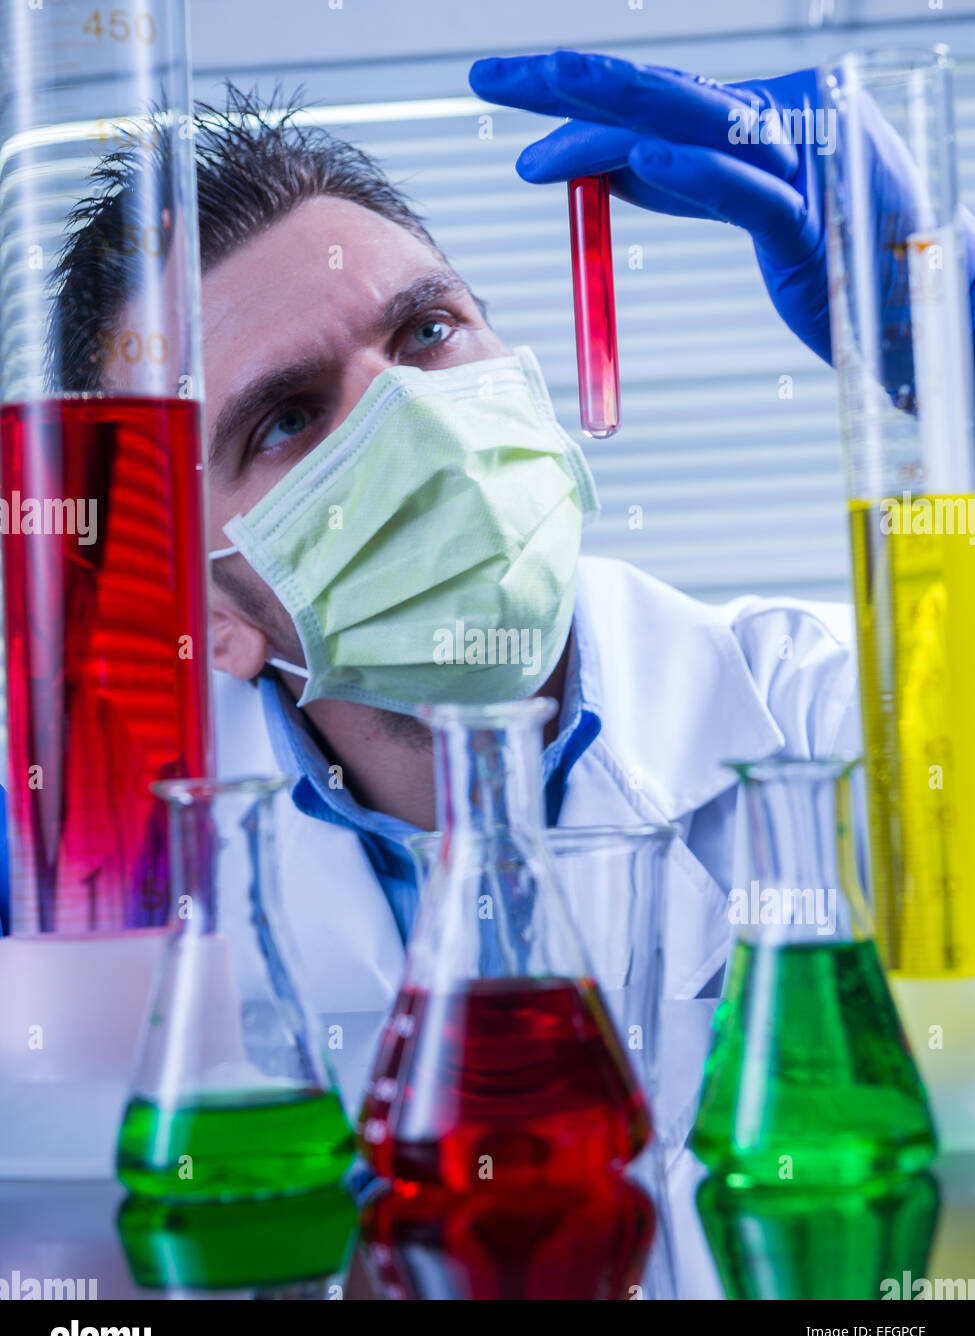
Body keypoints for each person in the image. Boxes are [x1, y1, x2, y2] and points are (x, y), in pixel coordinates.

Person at [21, 60, 869, 1118]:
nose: (417, 423)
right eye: (287, 417)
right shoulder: (99, 882)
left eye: (427, 330)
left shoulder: (834, 718)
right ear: (214, 616)